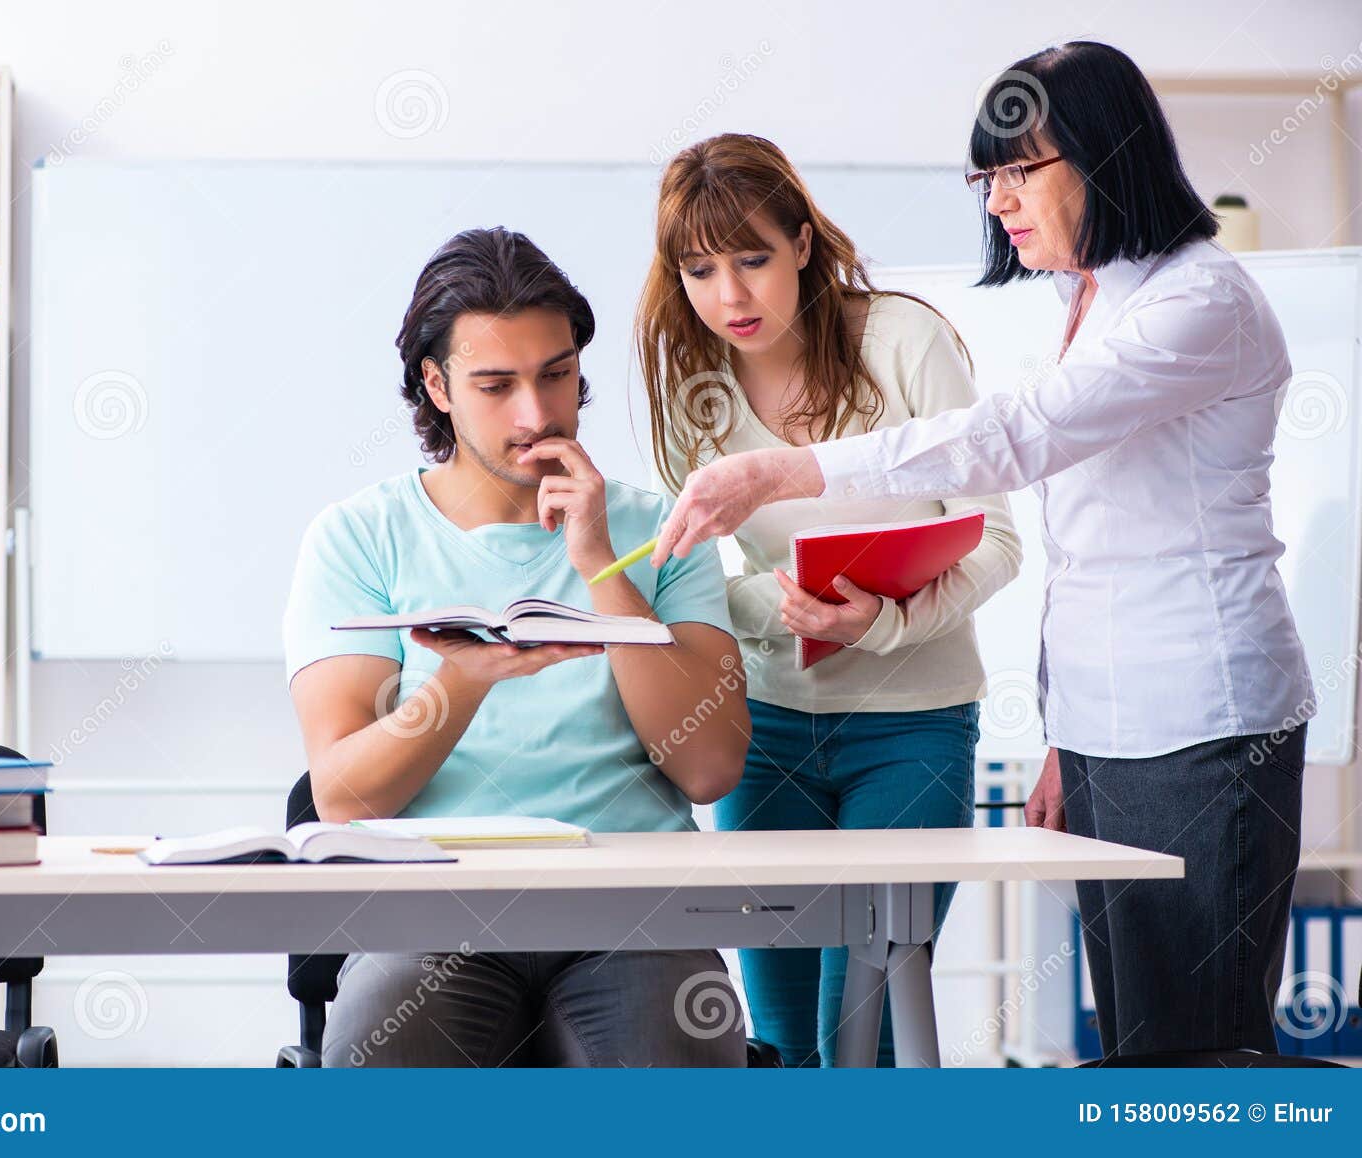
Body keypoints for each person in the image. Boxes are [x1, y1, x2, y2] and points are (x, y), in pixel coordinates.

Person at [648, 43, 1312, 1058]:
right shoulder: (1087, 298)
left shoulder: (1197, 304)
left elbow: (1011, 440)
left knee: (1199, 1050)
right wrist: (1067, 738)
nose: (997, 199)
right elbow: (1096, 551)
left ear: (1107, 155)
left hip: (1203, 717)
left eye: (1019, 170)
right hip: (1108, 725)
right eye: (986, 176)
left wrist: (778, 474)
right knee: (1136, 1045)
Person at [283, 226, 750, 1067]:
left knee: (680, 1053)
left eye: (557, 375)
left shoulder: (663, 529)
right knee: (381, 1051)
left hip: (632, 909)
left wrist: (600, 563)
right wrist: (462, 681)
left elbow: (709, 767)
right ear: (437, 386)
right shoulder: (357, 538)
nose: (536, 416)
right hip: (430, 910)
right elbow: (344, 799)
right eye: (495, 386)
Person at [636, 132, 1021, 1067]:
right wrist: (788, 610)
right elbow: (691, 589)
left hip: (914, 729)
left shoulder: (902, 340)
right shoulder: (697, 391)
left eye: (753, 259)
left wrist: (882, 623)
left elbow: (999, 541)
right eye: (699, 269)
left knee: (869, 1036)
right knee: (781, 1046)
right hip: (767, 733)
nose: (730, 296)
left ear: (804, 244)